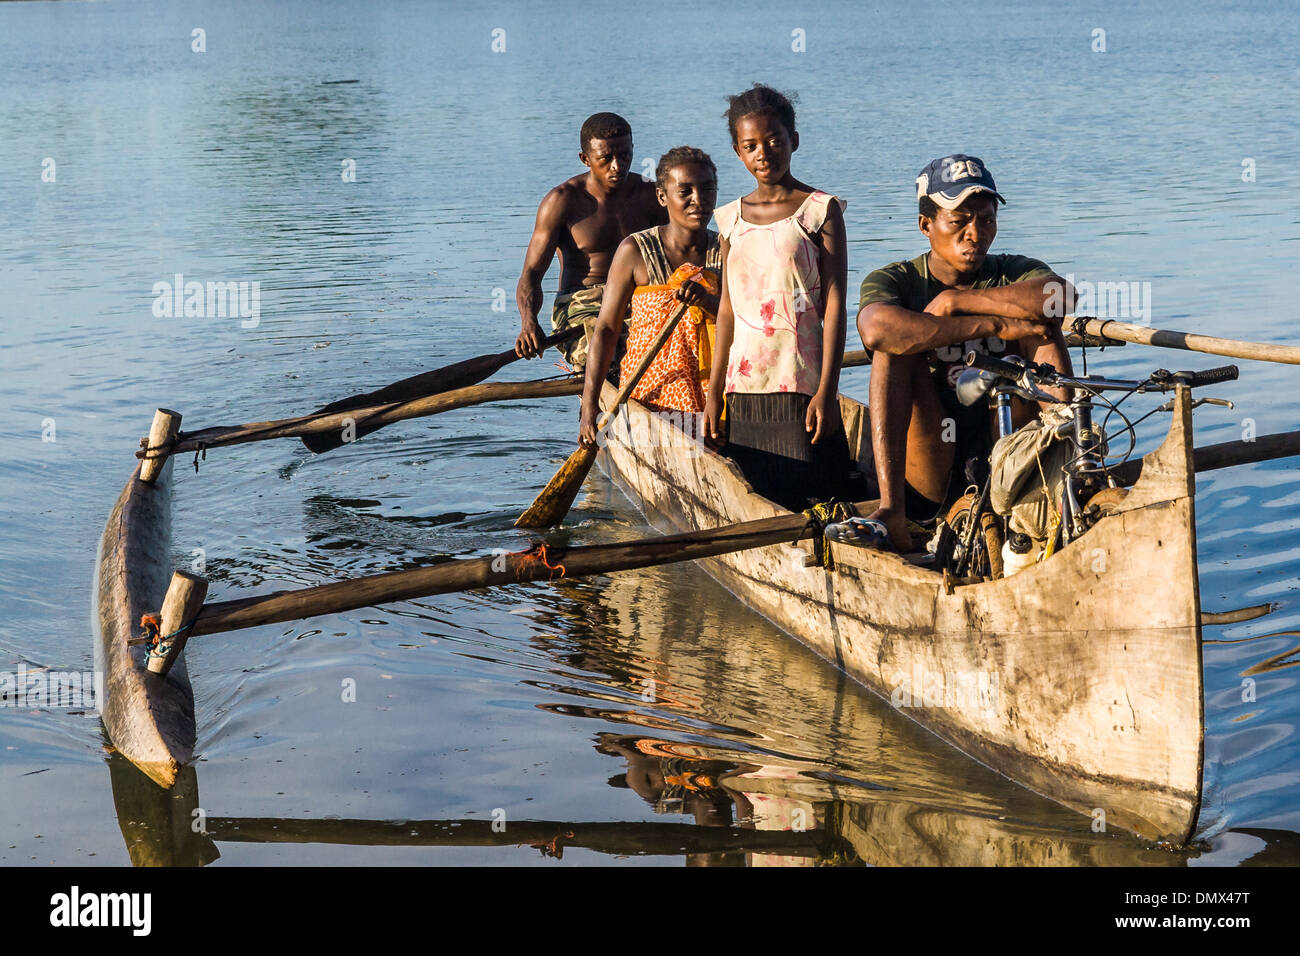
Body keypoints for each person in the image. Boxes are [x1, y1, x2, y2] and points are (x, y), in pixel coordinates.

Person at [856, 154, 1075, 551]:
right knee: (893, 347)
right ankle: (892, 510)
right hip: (931, 452)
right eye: (959, 221)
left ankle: (1072, 466)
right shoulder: (898, 279)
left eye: (986, 220)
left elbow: (1061, 296)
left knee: (1043, 327)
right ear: (926, 225)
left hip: (1008, 445)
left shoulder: (1011, 271)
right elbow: (875, 329)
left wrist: (956, 301)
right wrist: (993, 325)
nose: (975, 234)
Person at [702, 84, 853, 512]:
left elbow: (835, 304)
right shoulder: (730, 219)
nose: (763, 153)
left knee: (820, 494)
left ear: (794, 141)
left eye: (773, 141)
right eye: (751, 146)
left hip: (801, 379)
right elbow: (728, 309)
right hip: (745, 385)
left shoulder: (819, 211)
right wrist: (714, 391)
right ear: (738, 152)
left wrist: (827, 390)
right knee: (761, 495)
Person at [579, 147, 722, 446]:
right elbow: (606, 329)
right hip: (651, 394)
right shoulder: (635, 251)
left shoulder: (726, 249)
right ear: (662, 197)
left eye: (707, 189)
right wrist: (590, 405)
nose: (698, 200)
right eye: (685, 191)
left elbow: (742, 320)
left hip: (715, 394)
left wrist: (707, 301)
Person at [514, 112, 666, 372]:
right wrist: (529, 322)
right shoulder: (561, 201)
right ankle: (591, 391)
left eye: (625, 155)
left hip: (639, 297)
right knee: (601, 354)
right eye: (606, 158)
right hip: (582, 303)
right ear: (585, 159)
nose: (617, 165)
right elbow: (531, 274)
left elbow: (687, 249)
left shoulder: (651, 195)